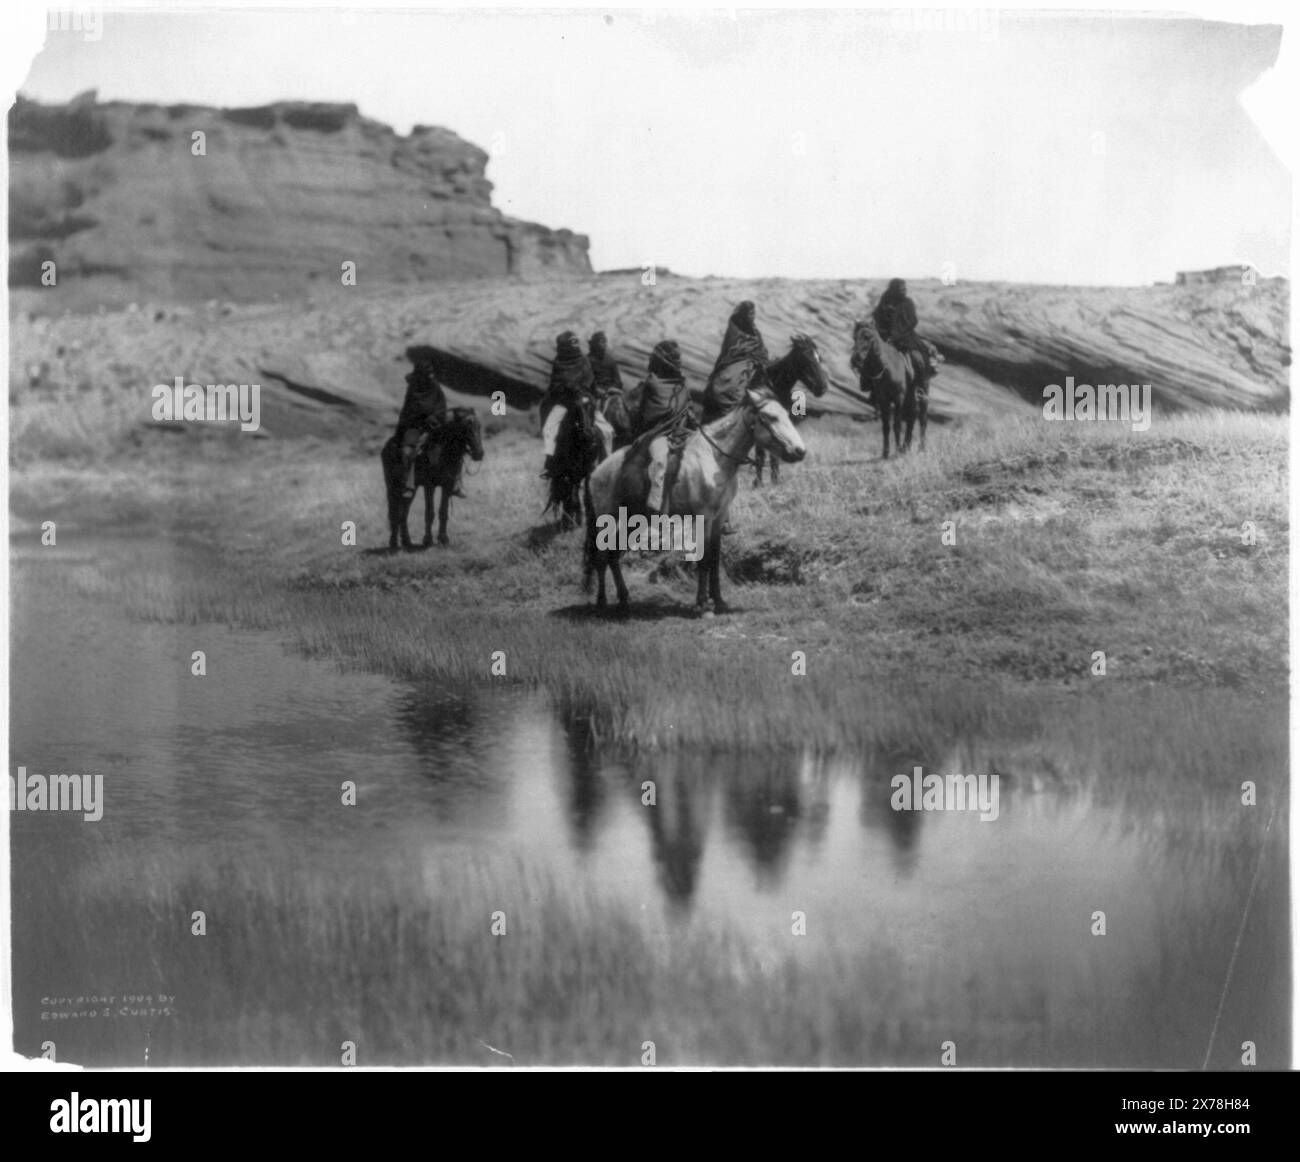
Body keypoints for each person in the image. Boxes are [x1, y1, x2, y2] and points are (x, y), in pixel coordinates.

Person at [631, 339, 693, 515]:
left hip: (683, 432)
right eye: (675, 357)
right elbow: (646, 414)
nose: (679, 360)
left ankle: (721, 516)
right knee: (659, 460)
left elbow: (688, 409)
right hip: (658, 433)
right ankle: (655, 508)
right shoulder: (652, 383)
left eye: (679, 356)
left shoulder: (682, 384)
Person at [395, 347, 451, 499]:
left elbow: (442, 407)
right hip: (414, 427)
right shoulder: (412, 389)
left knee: (452, 445)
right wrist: (407, 424)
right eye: (427, 373)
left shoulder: (435, 388)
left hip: (433, 426)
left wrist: (434, 418)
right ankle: (409, 485)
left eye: (431, 373)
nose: (430, 376)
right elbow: (407, 409)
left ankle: (454, 483)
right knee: (407, 451)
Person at [702, 299, 770, 420]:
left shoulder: (755, 330)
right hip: (737, 359)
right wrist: (750, 354)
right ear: (744, 314)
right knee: (735, 378)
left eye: (754, 313)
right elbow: (734, 347)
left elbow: (761, 347)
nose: (753, 316)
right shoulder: (735, 326)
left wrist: (761, 355)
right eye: (750, 314)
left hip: (754, 361)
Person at [540, 331, 594, 478]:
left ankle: (603, 463)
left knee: (606, 431)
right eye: (572, 342)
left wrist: (581, 392)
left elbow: (589, 380)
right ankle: (549, 462)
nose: (576, 345)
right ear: (564, 345)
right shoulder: (558, 362)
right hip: (564, 402)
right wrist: (566, 391)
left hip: (583, 401)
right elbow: (555, 384)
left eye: (577, 341)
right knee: (549, 429)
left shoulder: (584, 360)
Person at [870, 278, 942, 387]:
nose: (904, 291)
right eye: (901, 289)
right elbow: (877, 314)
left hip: (905, 337)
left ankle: (918, 386)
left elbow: (913, 321)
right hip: (884, 334)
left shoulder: (907, 303)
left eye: (905, 289)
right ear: (894, 289)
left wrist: (898, 334)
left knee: (917, 359)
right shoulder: (886, 299)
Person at [586, 331, 622, 456]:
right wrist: (597, 390)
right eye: (601, 341)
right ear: (594, 344)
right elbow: (586, 381)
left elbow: (618, 381)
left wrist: (613, 388)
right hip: (593, 394)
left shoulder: (610, 360)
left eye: (605, 341)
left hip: (611, 393)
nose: (604, 344)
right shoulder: (587, 361)